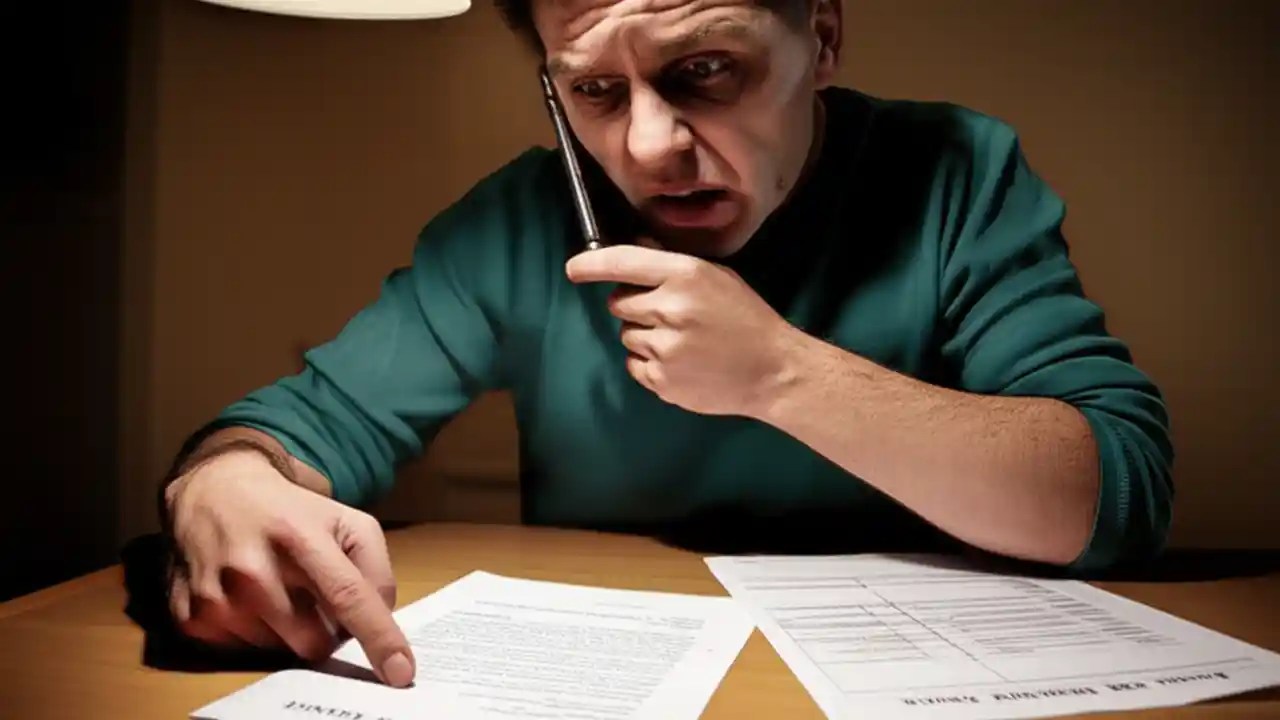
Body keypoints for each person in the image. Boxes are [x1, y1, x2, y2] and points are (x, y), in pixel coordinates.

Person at [158, 0, 1173, 690]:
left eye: (704, 71)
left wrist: (780, 373)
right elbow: (305, 426)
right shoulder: (517, 221)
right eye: (594, 93)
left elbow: (1111, 495)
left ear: (819, 39)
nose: (650, 148)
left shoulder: (953, 173)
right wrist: (220, 483)